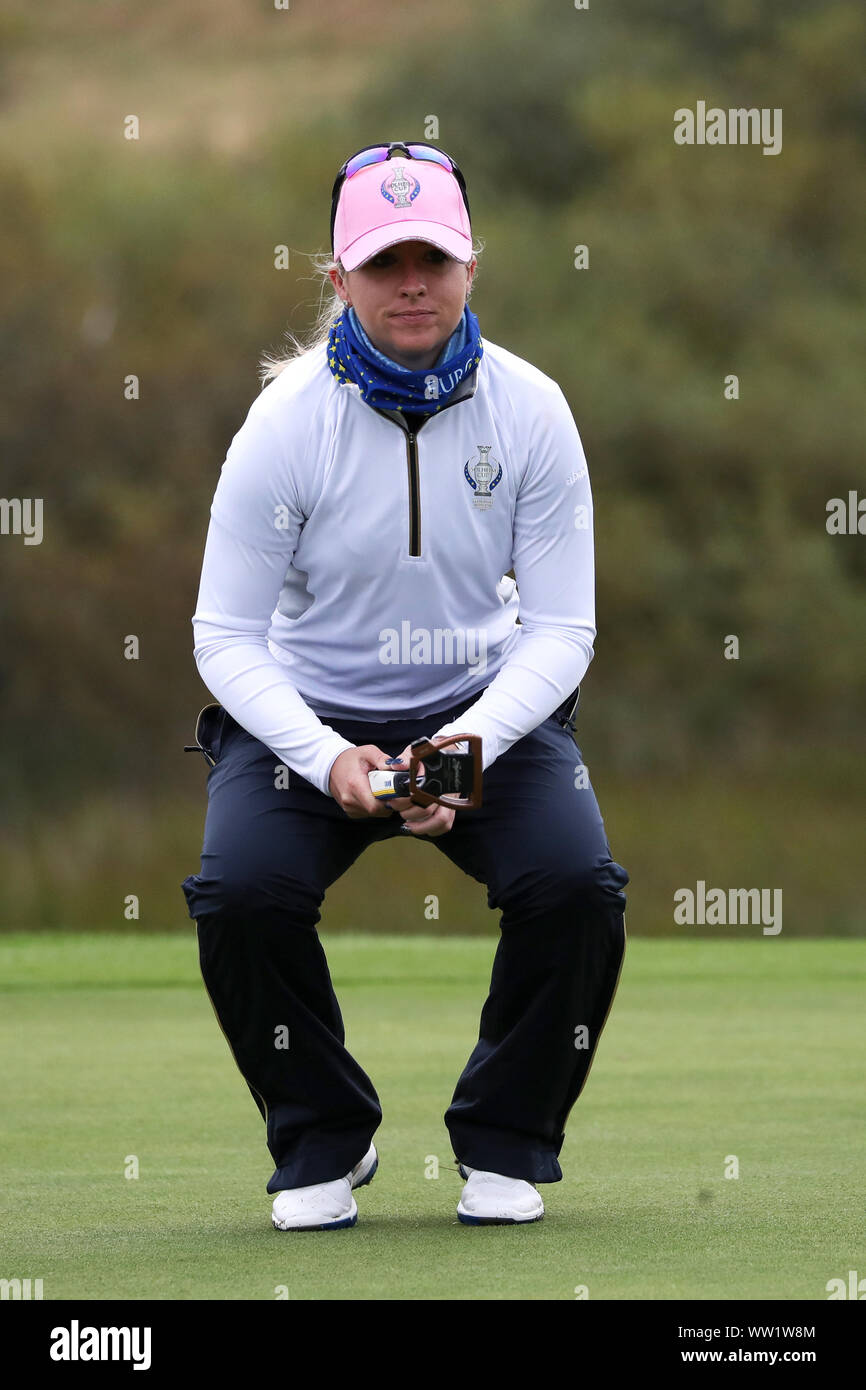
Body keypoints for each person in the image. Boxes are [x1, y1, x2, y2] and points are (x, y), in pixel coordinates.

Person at [181, 140, 629, 1231]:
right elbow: (223, 637)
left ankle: (505, 1139)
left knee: (577, 886)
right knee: (239, 895)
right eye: (385, 264)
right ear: (339, 280)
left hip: (485, 704)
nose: (412, 283)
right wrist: (329, 758)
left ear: (473, 265)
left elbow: (563, 626)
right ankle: (324, 1138)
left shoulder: (531, 409)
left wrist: (465, 746)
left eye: (433, 257)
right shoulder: (285, 421)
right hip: (310, 714)